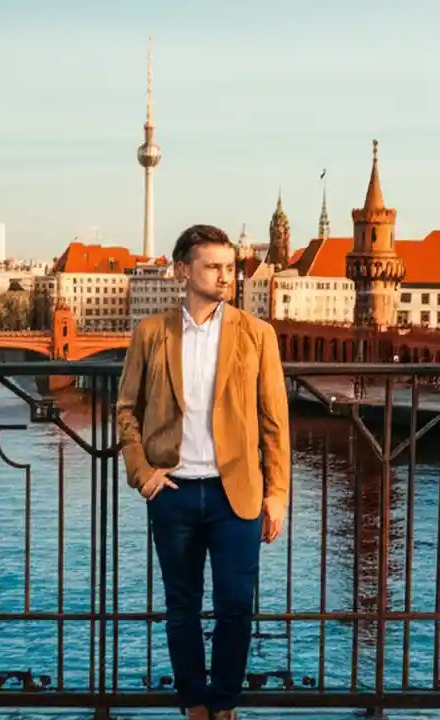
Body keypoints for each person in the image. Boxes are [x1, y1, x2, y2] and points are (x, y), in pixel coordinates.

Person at [116, 224, 290, 719]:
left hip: (235, 493)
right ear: (183, 270)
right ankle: (194, 704)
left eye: (229, 267)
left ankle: (226, 704)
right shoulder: (152, 333)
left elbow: (275, 422)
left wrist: (276, 494)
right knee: (181, 608)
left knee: (236, 606)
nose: (225, 276)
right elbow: (126, 409)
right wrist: (142, 471)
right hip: (171, 491)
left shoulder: (257, 335)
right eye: (213, 266)